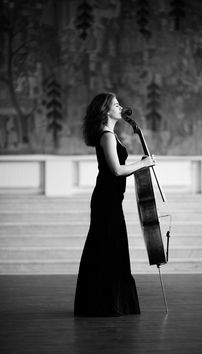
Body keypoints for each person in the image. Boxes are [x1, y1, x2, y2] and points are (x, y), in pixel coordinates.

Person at [74, 92, 155, 317]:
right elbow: (117, 170)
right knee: (105, 248)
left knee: (110, 248)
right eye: (116, 104)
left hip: (110, 199)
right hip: (105, 201)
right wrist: (143, 164)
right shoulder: (107, 136)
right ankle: (103, 304)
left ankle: (105, 303)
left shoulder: (112, 135)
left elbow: (118, 171)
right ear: (105, 110)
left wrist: (140, 164)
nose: (121, 107)